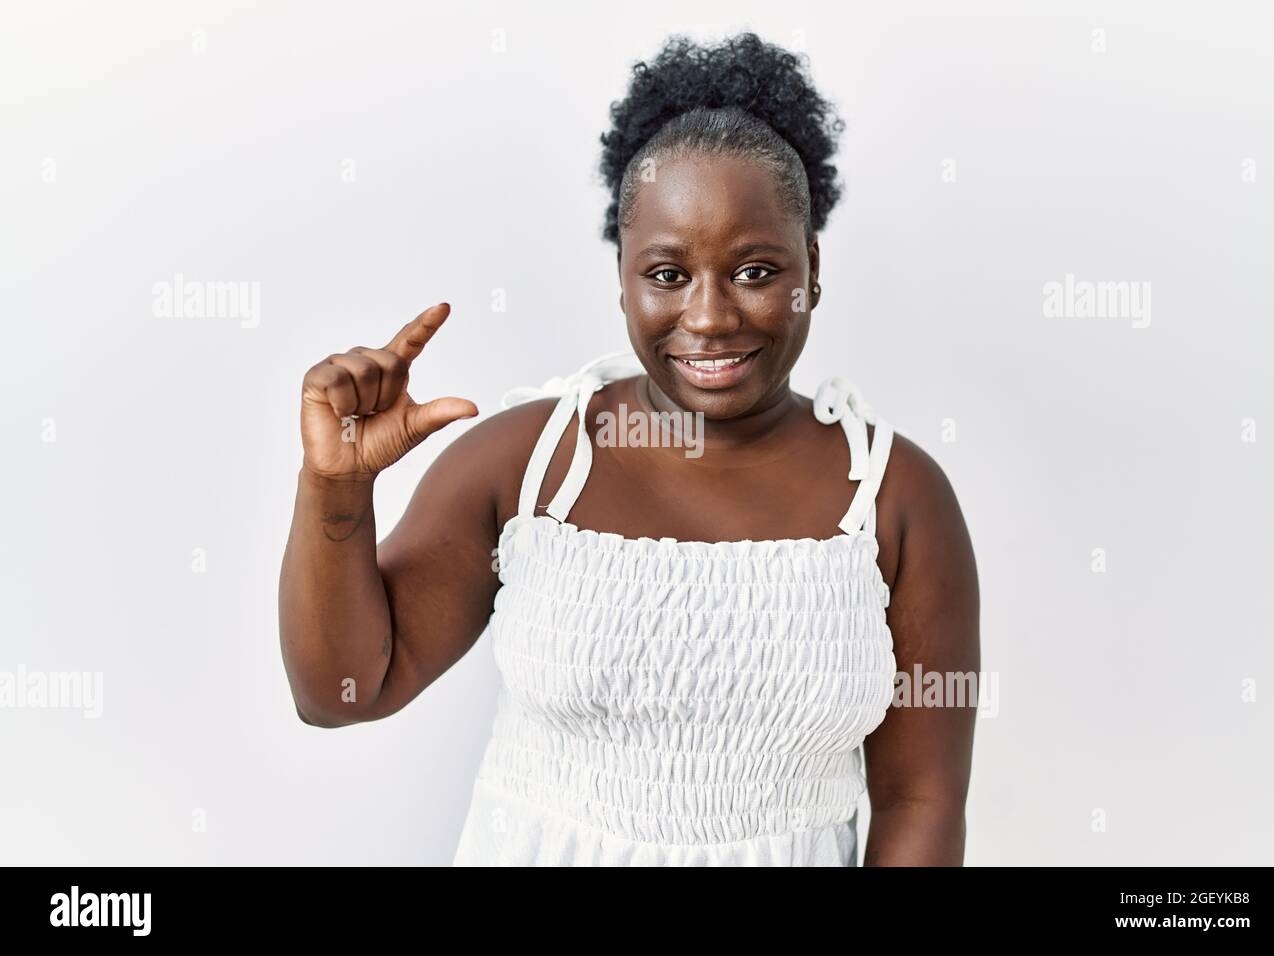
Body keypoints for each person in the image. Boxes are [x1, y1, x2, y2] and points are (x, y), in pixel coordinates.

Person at [278, 32, 979, 866]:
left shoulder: (895, 498)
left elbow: (919, 800)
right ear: (623, 278)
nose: (712, 316)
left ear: (811, 269)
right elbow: (341, 695)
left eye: (755, 271)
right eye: (668, 274)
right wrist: (336, 489)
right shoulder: (526, 465)